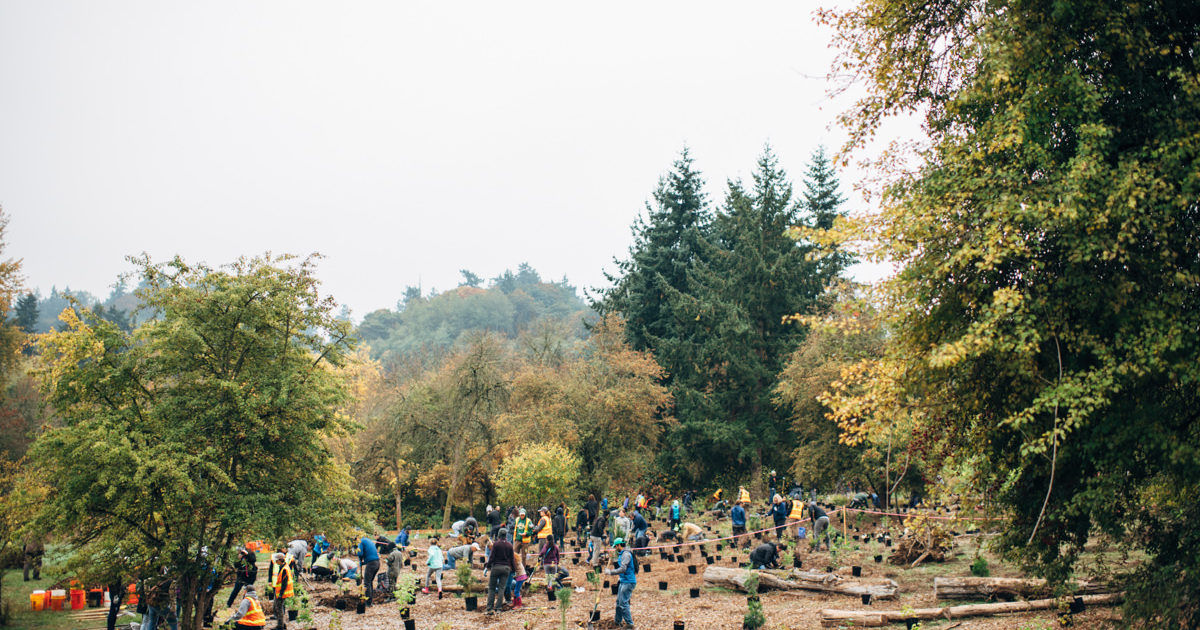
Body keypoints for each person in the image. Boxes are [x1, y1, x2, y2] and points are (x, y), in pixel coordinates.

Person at [604, 538, 636, 628]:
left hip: (628, 582)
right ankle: (617, 621)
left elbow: (623, 569)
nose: (615, 548)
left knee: (623, 603)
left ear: (619, 545)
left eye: (616, 546)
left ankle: (630, 624)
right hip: (623, 580)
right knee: (618, 602)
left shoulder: (626, 554)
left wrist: (610, 572)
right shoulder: (622, 554)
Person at [484, 528, 514, 614]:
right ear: (506, 535)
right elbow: (512, 559)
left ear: (499, 535)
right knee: (501, 588)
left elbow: (492, 557)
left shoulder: (496, 545)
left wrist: (487, 567)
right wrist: (514, 570)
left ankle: (489, 608)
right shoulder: (510, 545)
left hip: (496, 567)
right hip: (506, 568)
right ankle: (498, 608)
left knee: (492, 588)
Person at [271, 553, 293, 630]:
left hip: (282, 593)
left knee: (279, 609)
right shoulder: (284, 567)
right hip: (280, 592)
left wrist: (281, 594)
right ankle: (282, 624)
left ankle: (280, 626)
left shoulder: (284, 569)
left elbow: (284, 583)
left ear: (280, 560)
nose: (276, 562)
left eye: (277, 561)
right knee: (277, 608)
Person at [358, 536, 381, 602]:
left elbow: (360, 553)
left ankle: (367, 602)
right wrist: (363, 562)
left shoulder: (361, 541)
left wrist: (360, 559)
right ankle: (370, 600)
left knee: (366, 582)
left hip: (371, 563)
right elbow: (370, 554)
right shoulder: (368, 540)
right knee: (369, 581)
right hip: (377, 562)